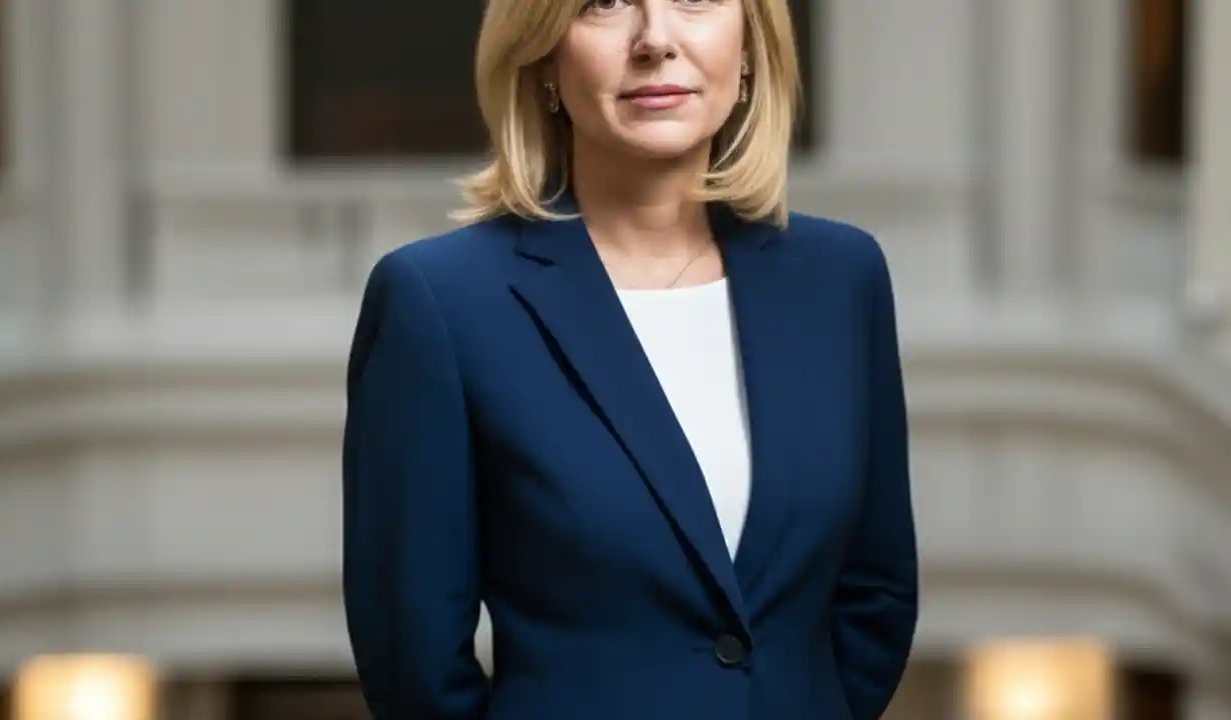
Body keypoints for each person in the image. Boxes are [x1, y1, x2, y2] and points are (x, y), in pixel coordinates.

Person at [341, 0, 918, 718]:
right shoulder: (439, 301)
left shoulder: (842, 278)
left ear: (749, 45)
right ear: (544, 55)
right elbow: (413, 660)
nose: (655, 39)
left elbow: (877, 594)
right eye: (604, 4)